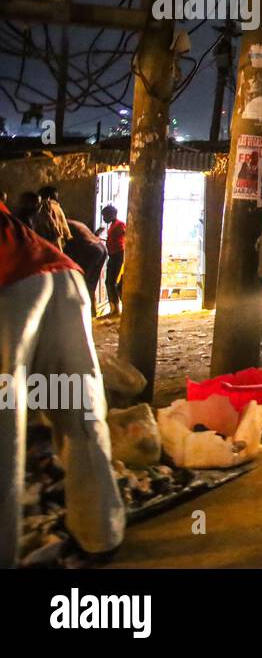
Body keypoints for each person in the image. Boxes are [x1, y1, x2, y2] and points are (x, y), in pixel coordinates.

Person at [1, 199, 125, 567]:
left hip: (9, 288)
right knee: (79, 413)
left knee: (5, 425)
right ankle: (101, 533)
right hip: (61, 277)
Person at [63, 218, 108, 315]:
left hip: (91, 249)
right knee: (91, 285)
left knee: (79, 282)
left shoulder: (62, 223)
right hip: (101, 248)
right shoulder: (75, 222)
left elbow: (63, 244)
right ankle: (93, 313)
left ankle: (78, 313)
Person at [99, 204, 126, 317]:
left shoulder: (120, 224)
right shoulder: (112, 226)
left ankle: (116, 310)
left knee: (112, 282)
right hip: (113, 255)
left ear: (112, 214)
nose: (104, 218)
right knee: (109, 282)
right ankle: (114, 309)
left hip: (118, 256)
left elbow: (125, 237)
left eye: (105, 215)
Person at [33, 186, 72, 252]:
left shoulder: (45, 206)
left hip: (48, 242)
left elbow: (47, 223)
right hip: (57, 242)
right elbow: (65, 229)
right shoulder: (58, 208)